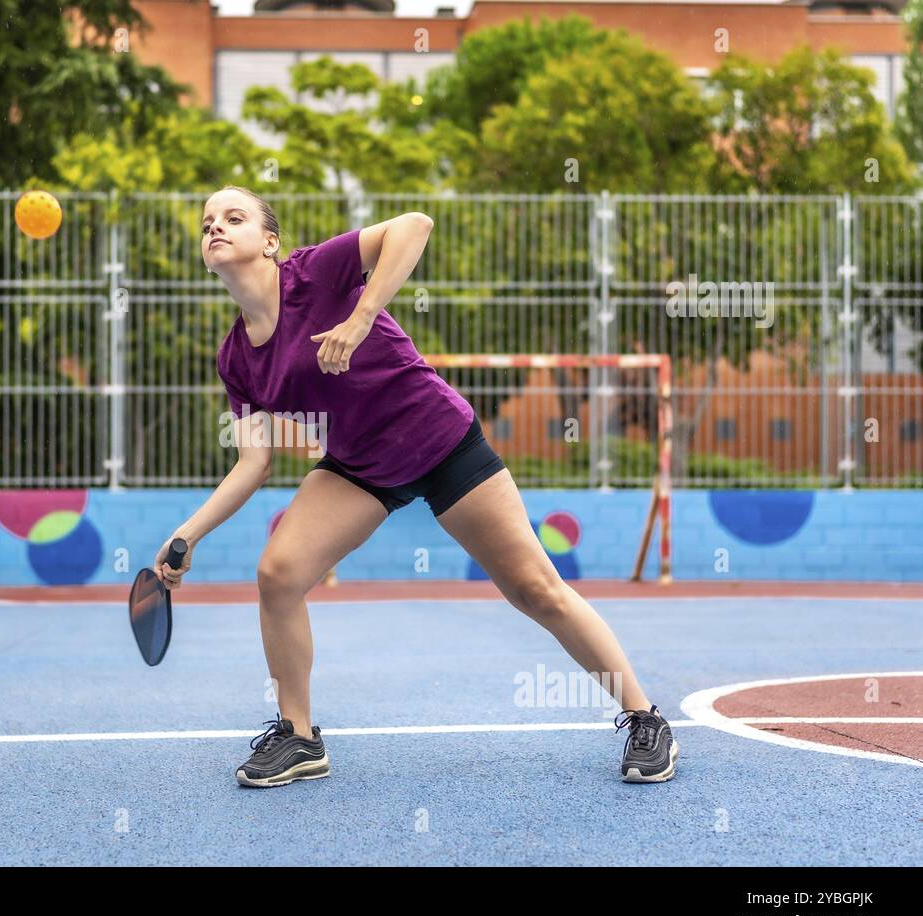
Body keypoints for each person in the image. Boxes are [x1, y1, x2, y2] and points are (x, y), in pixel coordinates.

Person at [152, 184, 678, 787]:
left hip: (438, 442)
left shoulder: (314, 274)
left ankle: (645, 718)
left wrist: (360, 316)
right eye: (207, 222)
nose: (215, 227)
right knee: (278, 574)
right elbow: (253, 463)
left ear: (269, 242)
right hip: (361, 467)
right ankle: (298, 737)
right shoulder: (236, 358)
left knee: (537, 590)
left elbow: (415, 224)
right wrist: (186, 536)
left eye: (234, 217)